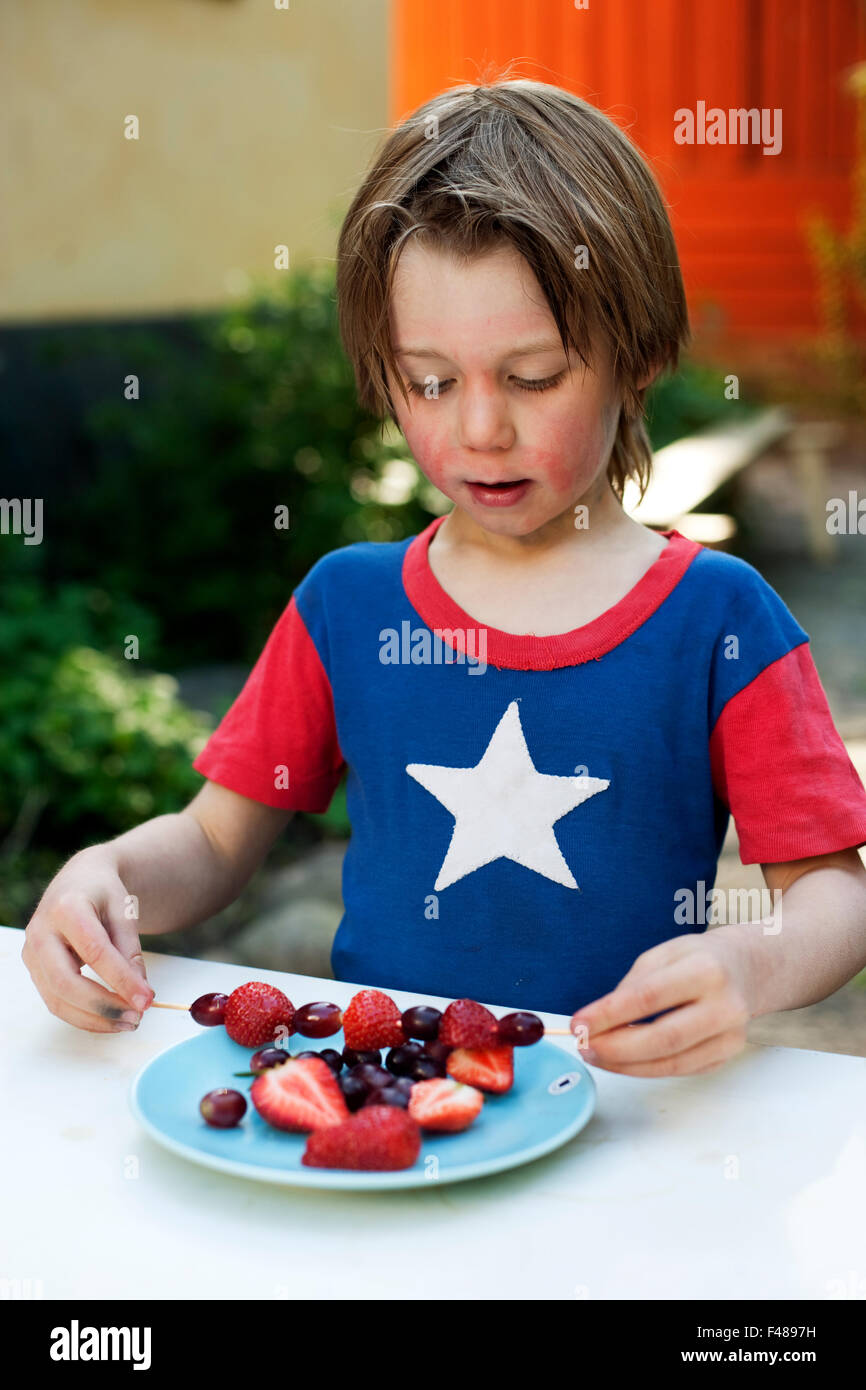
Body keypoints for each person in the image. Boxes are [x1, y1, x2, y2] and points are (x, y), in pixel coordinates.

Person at [22, 80, 866, 1077]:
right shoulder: (346, 605)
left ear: (636, 356)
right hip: (387, 1109)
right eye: (430, 379)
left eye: (532, 377)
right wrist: (103, 877)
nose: (478, 428)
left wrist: (744, 963)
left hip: (624, 1128)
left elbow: (833, 898)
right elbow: (211, 846)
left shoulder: (720, 619)